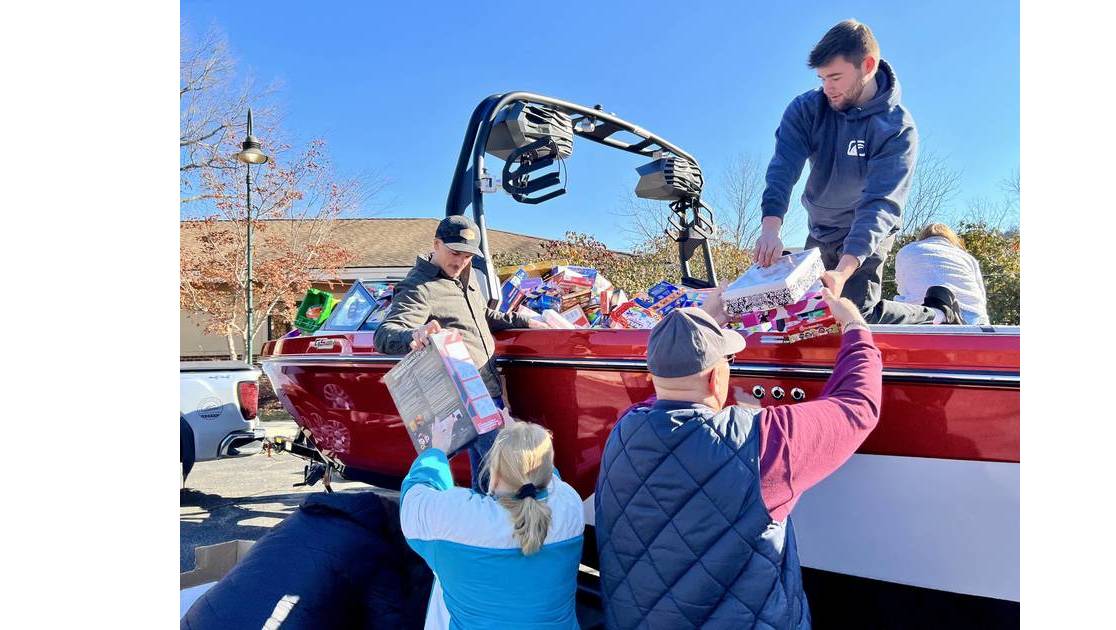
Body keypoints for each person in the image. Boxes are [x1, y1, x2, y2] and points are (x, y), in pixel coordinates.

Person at [594, 283, 882, 628]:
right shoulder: (760, 442)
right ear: (717, 377)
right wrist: (854, 323)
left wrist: (702, 324)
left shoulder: (624, 430)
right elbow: (857, 406)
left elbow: (668, 397)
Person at [753, 19, 963, 324]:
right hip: (821, 226)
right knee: (814, 312)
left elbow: (880, 205)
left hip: (866, 230)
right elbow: (783, 168)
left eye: (835, 77)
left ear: (867, 65)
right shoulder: (806, 109)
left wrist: (843, 271)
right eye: (822, 77)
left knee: (855, 312)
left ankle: (937, 313)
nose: (827, 88)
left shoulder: (896, 129)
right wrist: (770, 228)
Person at [374, 215, 549, 492]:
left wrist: (525, 321)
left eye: (467, 255)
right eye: (454, 253)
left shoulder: (465, 278)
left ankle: (486, 532)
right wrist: (414, 335)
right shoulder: (419, 287)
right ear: (436, 244)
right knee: (510, 477)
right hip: (465, 399)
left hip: (488, 391)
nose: (460, 261)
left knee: (487, 481)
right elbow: (384, 335)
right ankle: (515, 531)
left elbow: (481, 315)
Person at [400, 416, 585, 630]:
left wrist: (436, 452)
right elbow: (551, 482)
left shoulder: (458, 520)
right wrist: (522, 446)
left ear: (494, 475)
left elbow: (414, 499)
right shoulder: (570, 506)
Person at [895, 223, 991, 325]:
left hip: (920, 313)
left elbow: (901, 286)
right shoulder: (966, 257)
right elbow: (981, 295)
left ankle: (941, 316)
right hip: (969, 315)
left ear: (923, 237)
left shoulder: (906, 251)